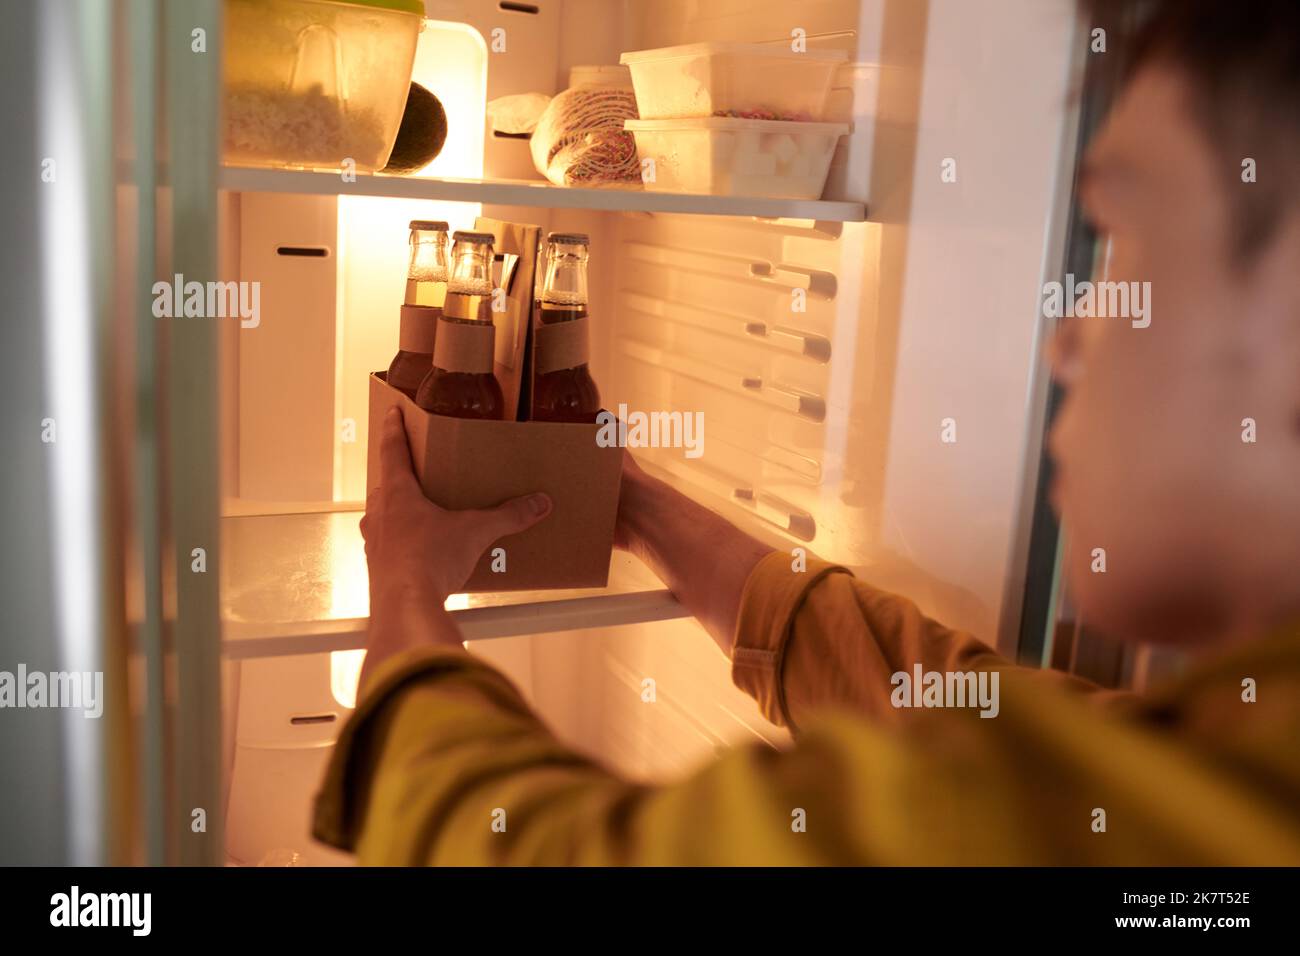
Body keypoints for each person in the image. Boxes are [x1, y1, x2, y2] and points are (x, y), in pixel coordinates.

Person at [312, 0, 1300, 864]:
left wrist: (402, 585)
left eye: (1122, 240)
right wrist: (631, 501)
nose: (1066, 344)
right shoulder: (1208, 770)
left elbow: (537, 850)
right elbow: (946, 697)